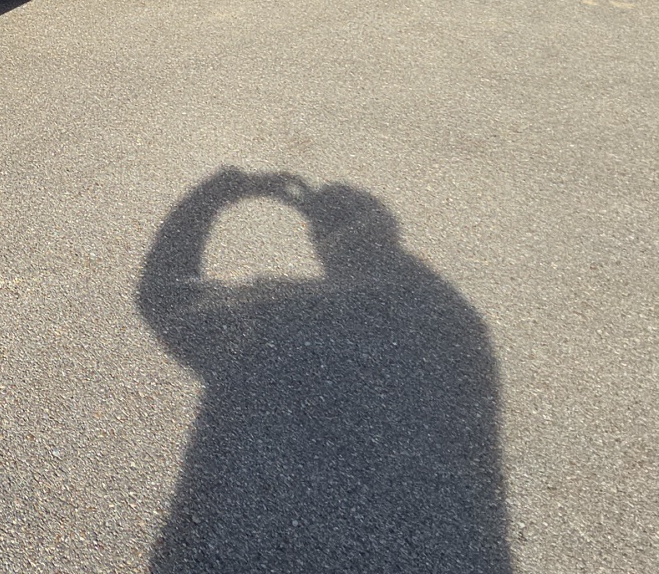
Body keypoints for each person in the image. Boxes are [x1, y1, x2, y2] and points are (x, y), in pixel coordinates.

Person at [137, 168, 512, 573]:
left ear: (319, 241)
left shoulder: (275, 314)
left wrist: (216, 193)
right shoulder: (454, 327)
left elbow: (164, 295)